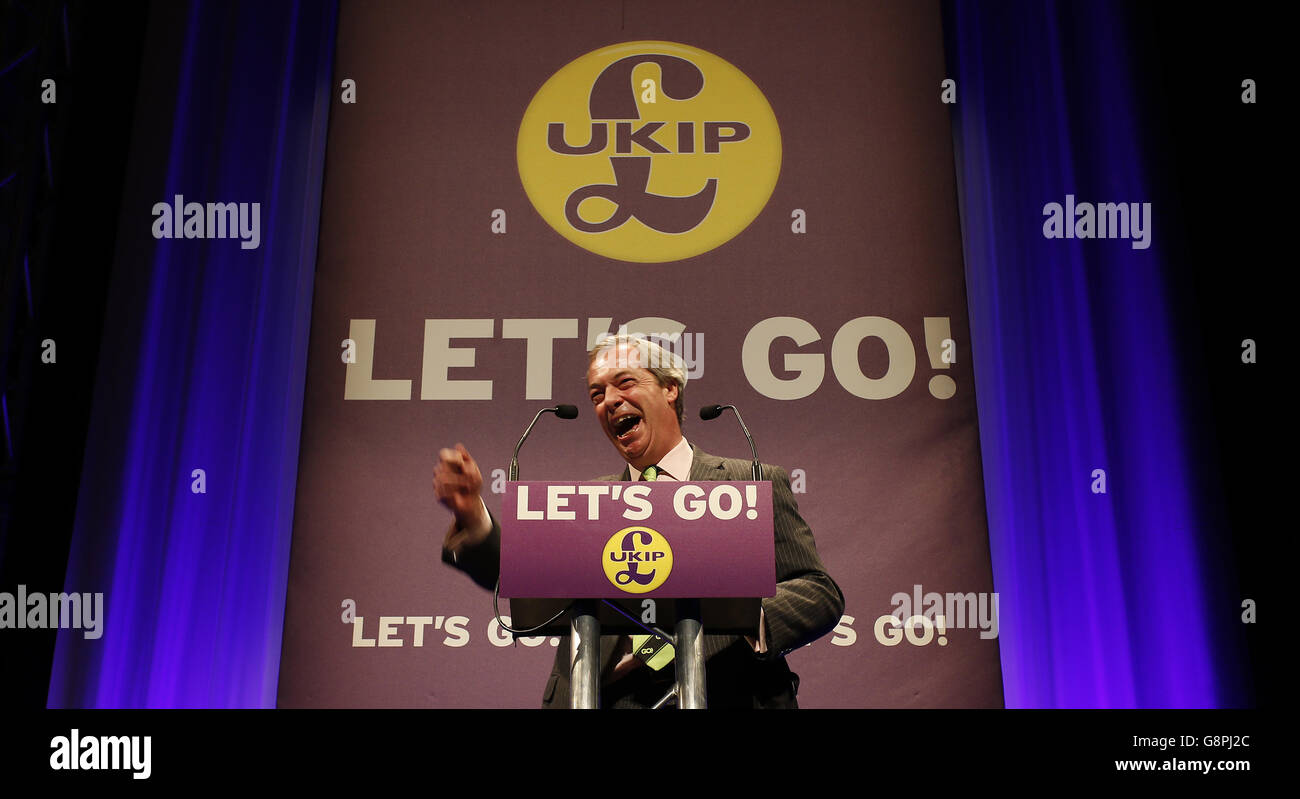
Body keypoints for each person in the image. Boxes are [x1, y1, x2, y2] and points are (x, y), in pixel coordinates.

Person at [435, 334, 844, 708]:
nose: (609, 401)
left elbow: (818, 592)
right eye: (597, 394)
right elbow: (517, 573)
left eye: (625, 383)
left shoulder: (749, 483)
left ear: (670, 389)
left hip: (728, 693)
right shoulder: (587, 504)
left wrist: (733, 618)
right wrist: (472, 514)